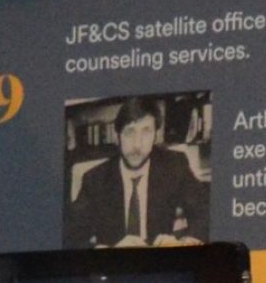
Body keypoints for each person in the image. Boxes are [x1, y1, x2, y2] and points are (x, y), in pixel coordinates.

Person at [67, 96, 207, 246]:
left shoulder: (173, 165)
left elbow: (205, 209)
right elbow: (70, 234)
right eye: (129, 132)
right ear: (116, 136)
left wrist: (187, 243)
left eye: (146, 132)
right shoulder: (95, 179)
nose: (137, 145)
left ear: (156, 135)